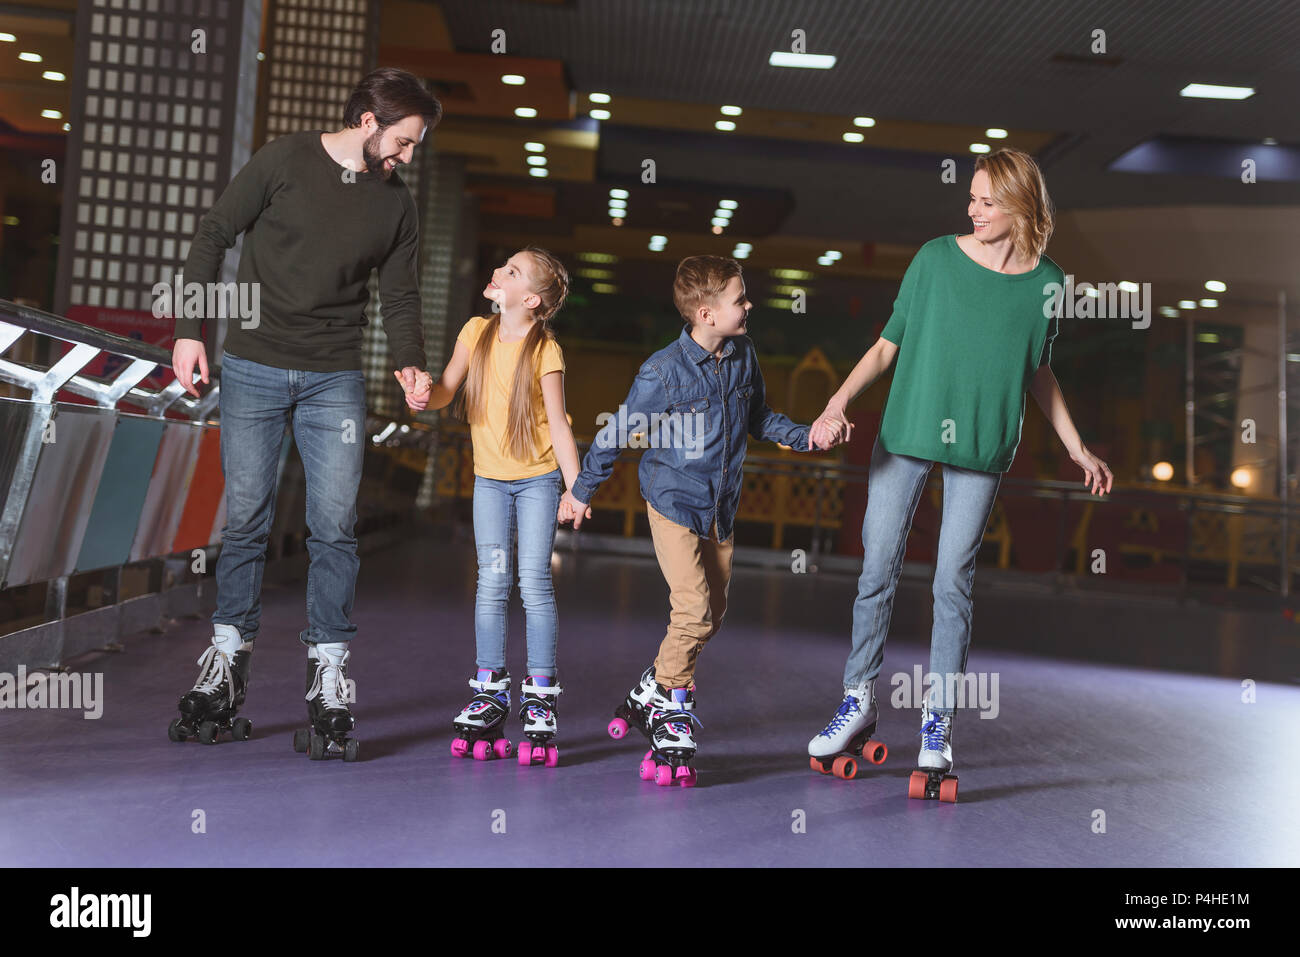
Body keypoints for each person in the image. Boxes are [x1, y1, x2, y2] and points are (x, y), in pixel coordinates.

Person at [806, 149, 1112, 795]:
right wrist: (837, 401)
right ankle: (857, 699)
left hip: (982, 445)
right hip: (906, 433)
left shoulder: (1046, 283)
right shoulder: (935, 258)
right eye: (970, 198)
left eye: (986, 201)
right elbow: (889, 342)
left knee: (953, 584)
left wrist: (1078, 447)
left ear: (1021, 206)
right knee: (876, 570)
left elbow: (1038, 371)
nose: (972, 210)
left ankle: (937, 724)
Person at [167, 68, 442, 759]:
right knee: (247, 518)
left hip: (334, 378)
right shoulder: (284, 160)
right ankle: (227, 661)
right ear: (370, 121)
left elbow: (401, 297)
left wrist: (409, 358)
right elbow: (213, 235)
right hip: (255, 363)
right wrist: (190, 327)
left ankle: (329, 673)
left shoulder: (396, 207)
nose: (407, 157)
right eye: (404, 142)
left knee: (334, 525)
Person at [558, 255, 844, 786]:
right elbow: (617, 432)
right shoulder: (662, 371)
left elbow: (759, 418)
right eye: (741, 298)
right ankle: (672, 710)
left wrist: (807, 436)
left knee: (712, 615)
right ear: (708, 313)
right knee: (692, 608)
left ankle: (652, 685)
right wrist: (580, 491)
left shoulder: (743, 354)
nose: (749, 305)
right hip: (672, 500)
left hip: (720, 504)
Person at [402, 248, 576, 767]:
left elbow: (560, 423)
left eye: (512, 271)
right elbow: (447, 391)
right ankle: (489, 688)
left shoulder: (546, 350)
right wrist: (421, 393)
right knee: (492, 583)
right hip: (490, 482)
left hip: (539, 480)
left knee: (534, 584)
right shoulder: (475, 332)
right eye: (501, 264)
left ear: (530, 299)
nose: (498, 271)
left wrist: (575, 489)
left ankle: (540, 698)